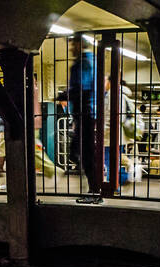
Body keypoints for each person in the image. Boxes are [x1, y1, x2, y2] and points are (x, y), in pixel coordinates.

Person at [60, 35, 100, 196]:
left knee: (83, 153)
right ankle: (93, 187)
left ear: (81, 45)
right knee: (83, 152)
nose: (71, 49)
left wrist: (65, 95)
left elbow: (82, 88)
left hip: (85, 112)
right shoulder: (93, 61)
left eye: (73, 45)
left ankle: (94, 189)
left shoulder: (83, 63)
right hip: (87, 113)